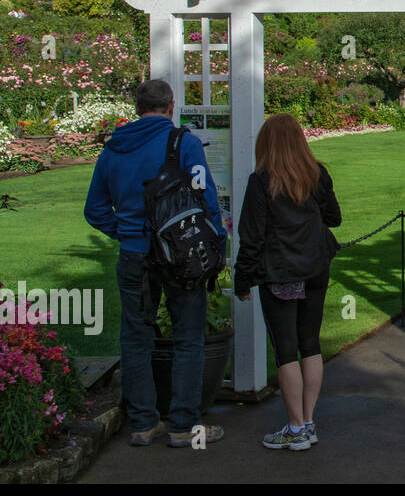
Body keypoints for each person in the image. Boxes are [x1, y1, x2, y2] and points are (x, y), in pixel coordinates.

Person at [84, 79, 227, 448]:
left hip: (134, 255)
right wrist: (218, 244)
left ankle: (143, 424)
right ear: (171, 106)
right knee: (188, 339)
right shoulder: (182, 142)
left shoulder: (113, 148)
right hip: (180, 254)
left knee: (135, 339)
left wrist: (126, 232)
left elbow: (94, 209)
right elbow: (206, 199)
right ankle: (183, 425)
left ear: (137, 107)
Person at [234, 113, 341, 451]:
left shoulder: (261, 181)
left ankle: (296, 427)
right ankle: (307, 422)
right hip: (315, 269)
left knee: (286, 351)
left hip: (280, 273)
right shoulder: (316, 174)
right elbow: (334, 217)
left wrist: (242, 280)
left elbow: (251, 237)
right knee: (310, 344)